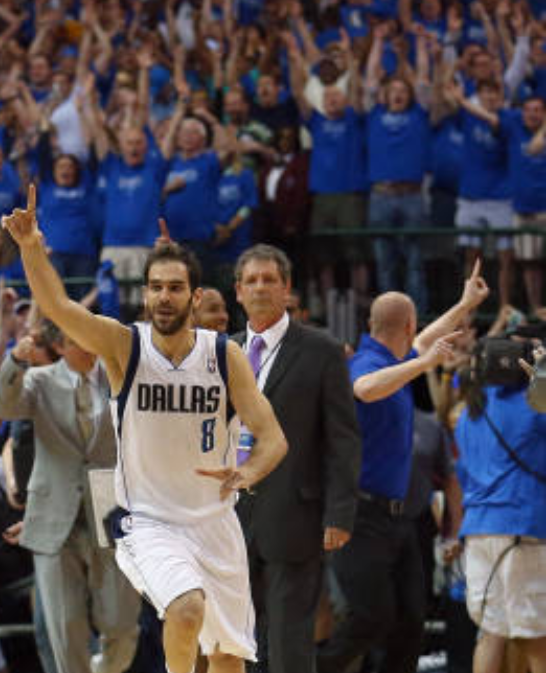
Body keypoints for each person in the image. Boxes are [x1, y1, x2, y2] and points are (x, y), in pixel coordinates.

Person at [2, 184, 289, 673]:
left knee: (226, 657)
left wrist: (248, 473)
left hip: (215, 522)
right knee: (186, 610)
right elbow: (58, 307)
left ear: (195, 297)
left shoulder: (224, 356)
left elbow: (274, 438)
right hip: (149, 520)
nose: (163, 297)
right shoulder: (123, 346)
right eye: (155, 287)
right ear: (145, 292)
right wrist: (31, 248)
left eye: (175, 288)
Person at [317, 262, 490, 673]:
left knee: (411, 619)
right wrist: (423, 364)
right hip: (361, 517)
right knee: (369, 619)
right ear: (408, 325)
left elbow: (426, 340)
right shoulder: (365, 363)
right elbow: (365, 389)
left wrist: (465, 305)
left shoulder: (392, 355)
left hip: (400, 520)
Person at [231, 244, 361, 673]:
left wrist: (339, 513)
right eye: (252, 280)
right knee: (237, 636)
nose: (261, 288)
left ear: (287, 288)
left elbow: (343, 438)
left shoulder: (321, 349)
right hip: (228, 511)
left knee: (289, 637)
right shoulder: (223, 352)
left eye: (270, 279)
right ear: (238, 292)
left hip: (295, 510)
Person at [0, 320, 142, 673]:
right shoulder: (39, 380)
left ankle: (104, 668)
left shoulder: (118, 374)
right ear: (60, 347)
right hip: (53, 512)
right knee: (64, 626)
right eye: (80, 337)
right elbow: (5, 407)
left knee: (121, 621)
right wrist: (15, 360)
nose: (90, 343)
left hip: (110, 505)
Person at [454, 340, 546, 673]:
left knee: (491, 633)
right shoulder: (534, 409)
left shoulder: (468, 413)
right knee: (537, 638)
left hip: (478, 532)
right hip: (523, 527)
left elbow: (463, 474)